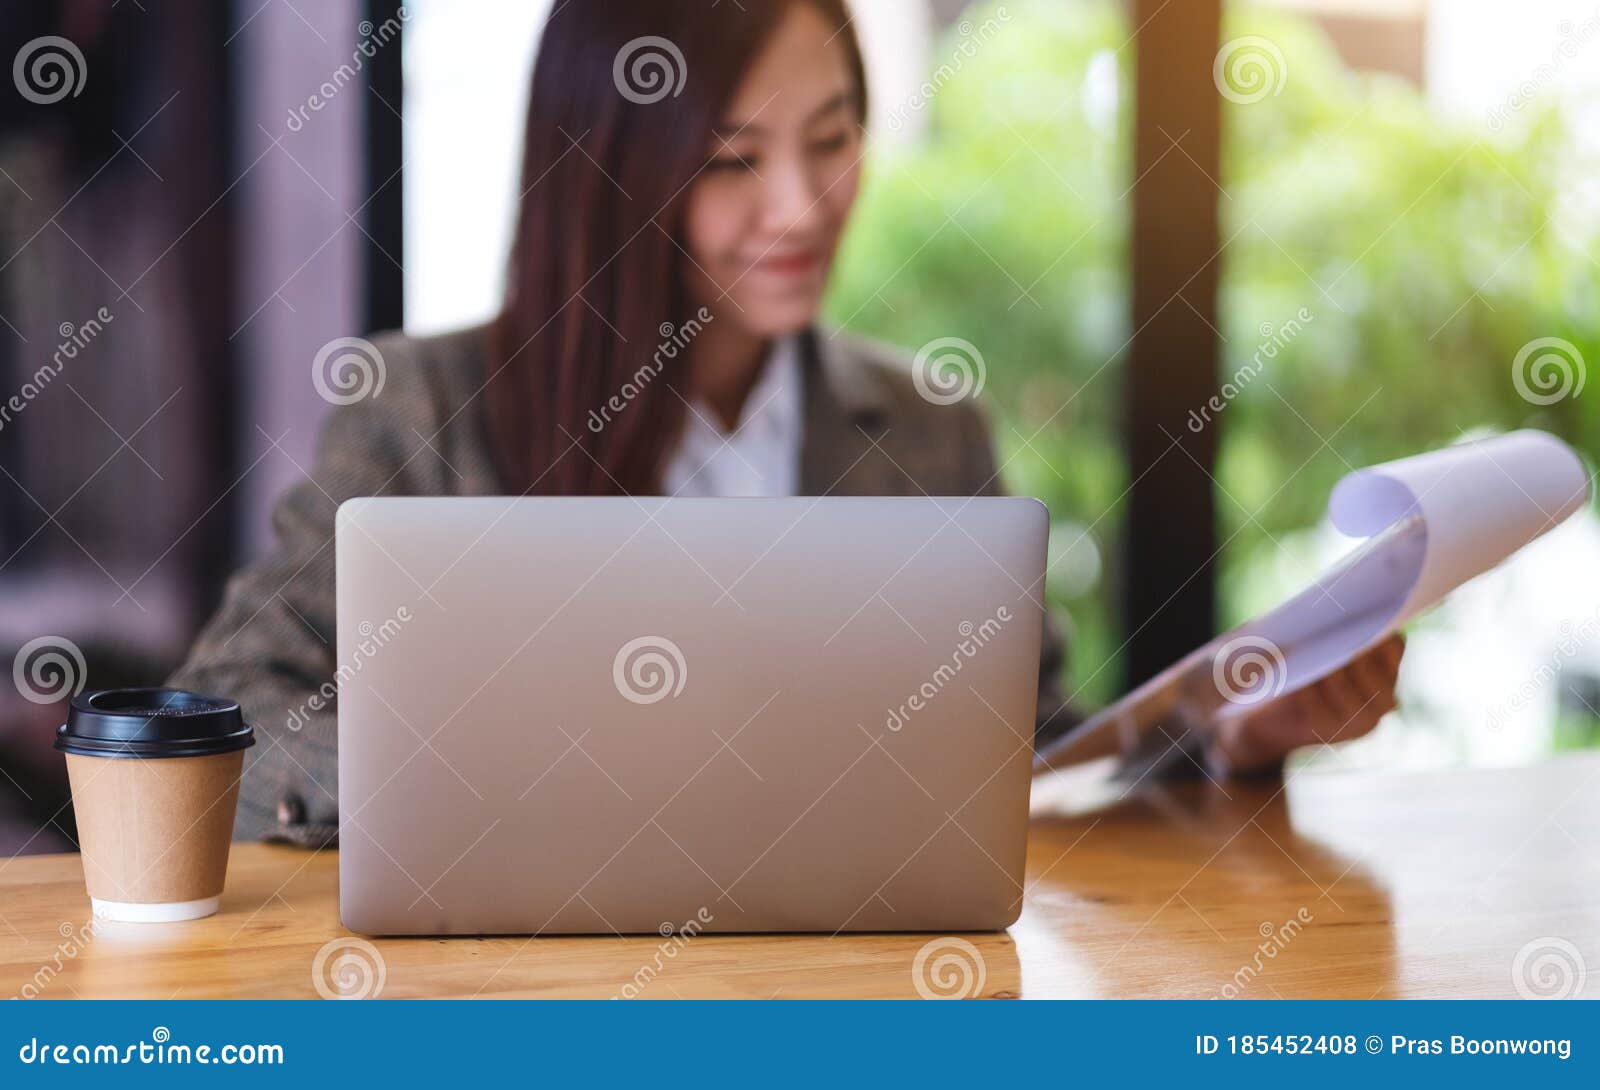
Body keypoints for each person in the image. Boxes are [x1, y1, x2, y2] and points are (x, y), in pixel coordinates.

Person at [169, 0, 1403, 845]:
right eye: (733, 161)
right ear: (610, 169)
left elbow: (1028, 758)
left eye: (833, 140)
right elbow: (224, 705)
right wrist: (484, 791)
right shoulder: (418, 413)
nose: (805, 207)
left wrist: (1232, 729)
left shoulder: (927, 430)